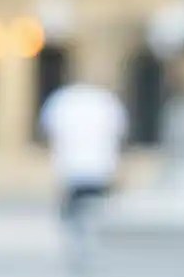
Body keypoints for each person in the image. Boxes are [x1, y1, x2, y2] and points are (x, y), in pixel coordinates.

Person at [39, 82, 128, 237]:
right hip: (101, 170)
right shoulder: (106, 101)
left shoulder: (62, 100)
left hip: (71, 170)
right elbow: (121, 136)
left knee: (74, 219)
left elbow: (47, 133)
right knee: (96, 217)